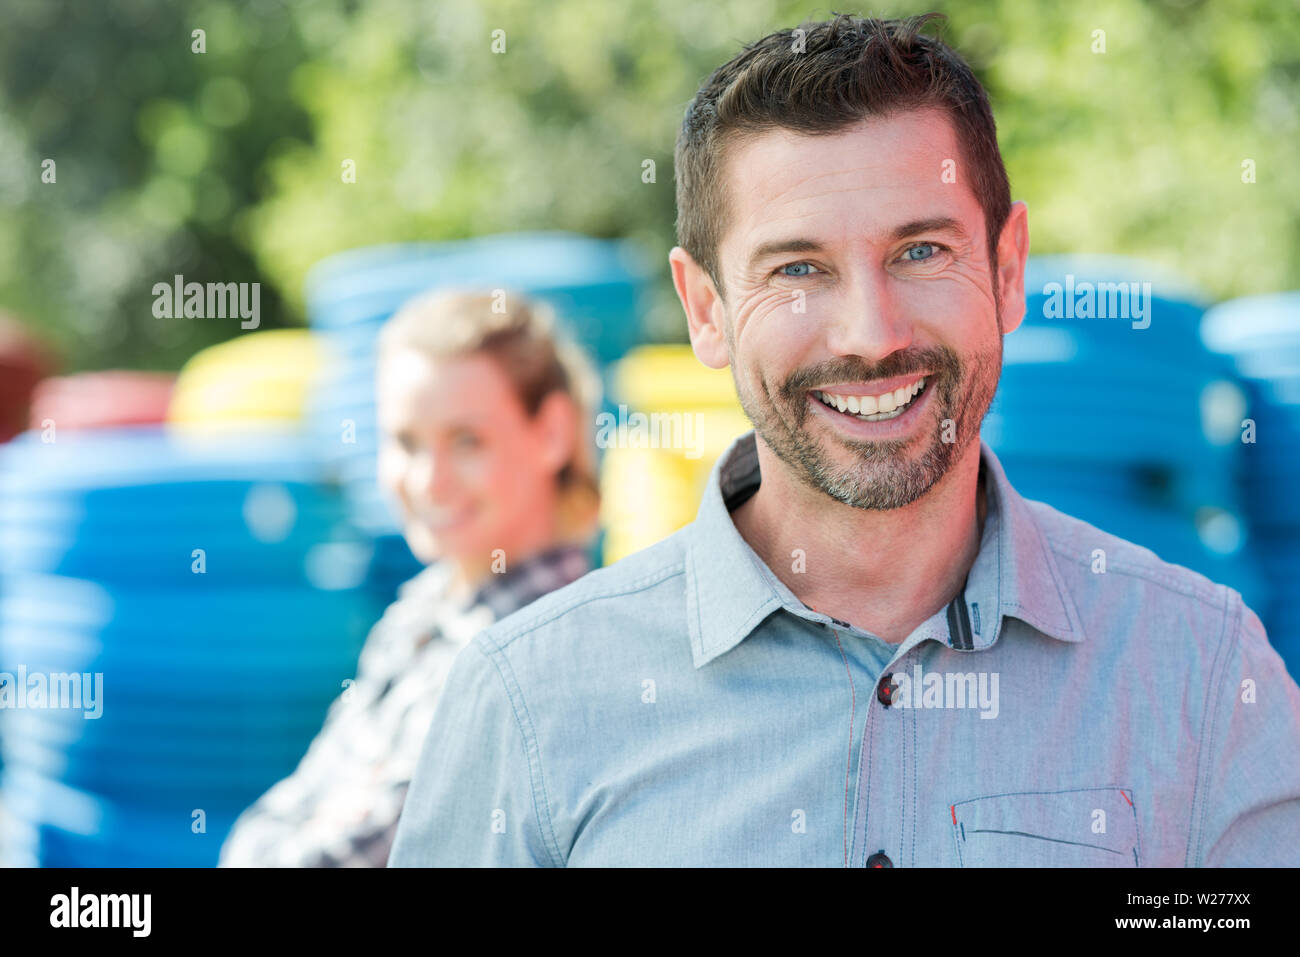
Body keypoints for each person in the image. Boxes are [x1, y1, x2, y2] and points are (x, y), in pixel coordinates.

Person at [388, 13, 1300, 867]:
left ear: (1008, 268)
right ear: (706, 310)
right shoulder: (528, 701)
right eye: (798, 269)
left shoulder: (1202, 675)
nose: (871, 332)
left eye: (921, 252)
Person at [218, 289, 600, 867]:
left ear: (551, 433)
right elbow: (288, 811)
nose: (429, 480)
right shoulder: (424, 609)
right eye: (405, 442)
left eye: (467, 441)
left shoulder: (547, 649)